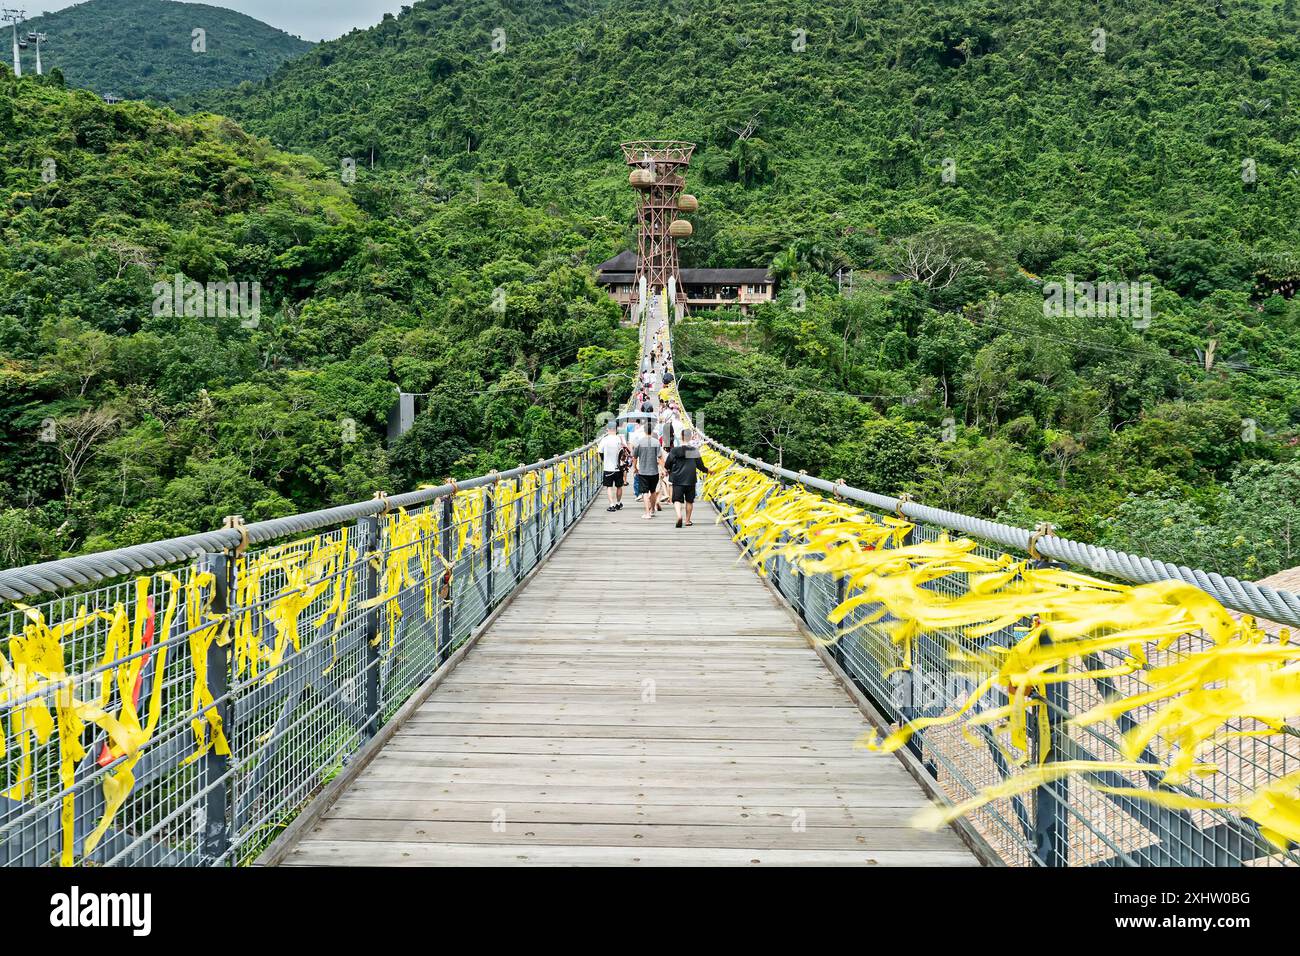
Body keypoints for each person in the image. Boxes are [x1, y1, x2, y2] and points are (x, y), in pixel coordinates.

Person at [665, 428, 710, 528]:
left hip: (677, 478)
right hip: (690, 479)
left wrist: (668, 469)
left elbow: (668, 463)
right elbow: (700, 466)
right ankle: (688, 520)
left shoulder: (675, 450)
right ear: (690, 437)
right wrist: (708, 471)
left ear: (681, 437)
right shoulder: (694, 451)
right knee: (689, 500)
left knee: (677, 499)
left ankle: (679, 516)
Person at [632, 421, 663, 519]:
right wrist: (663, 468)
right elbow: (660, 457)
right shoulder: (656, 442)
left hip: (643, 471)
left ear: (644, 431)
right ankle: (652, 510)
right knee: (653, 491)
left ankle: (647, 513)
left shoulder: (639, 442)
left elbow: (635, 457)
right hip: (654, 471)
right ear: (652, 430)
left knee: (645, 492)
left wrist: (635, 467)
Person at [597, 421, 626, 512]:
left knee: (609, 487)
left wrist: (603, 460)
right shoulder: (620, 439)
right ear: (616, 429)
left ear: (608, 429)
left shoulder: (604, 440)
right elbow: (625, 450)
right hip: (619, 468)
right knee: (619, 486)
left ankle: (611, 505)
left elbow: (600, 451)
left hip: (608, 467)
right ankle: (618, 503)